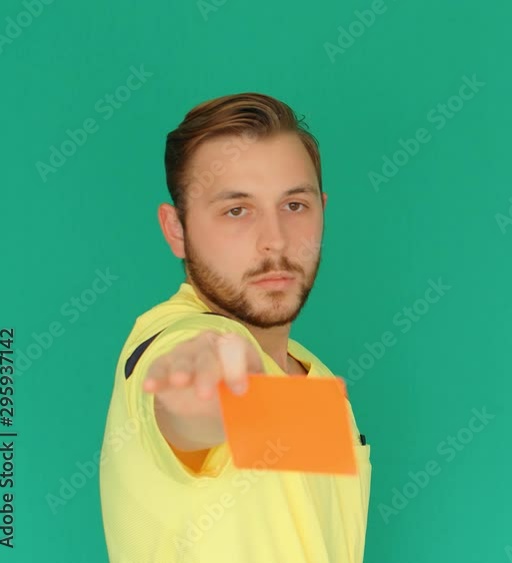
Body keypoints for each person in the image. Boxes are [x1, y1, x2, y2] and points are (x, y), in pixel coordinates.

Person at [98, 93, 371, 562]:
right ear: (176, 229)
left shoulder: (314, 378)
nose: (275, 241)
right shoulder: (170, 339)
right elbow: (191, 401)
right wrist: (201, 393)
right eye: (237, 210)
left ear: (322, 211)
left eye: (294, 205)